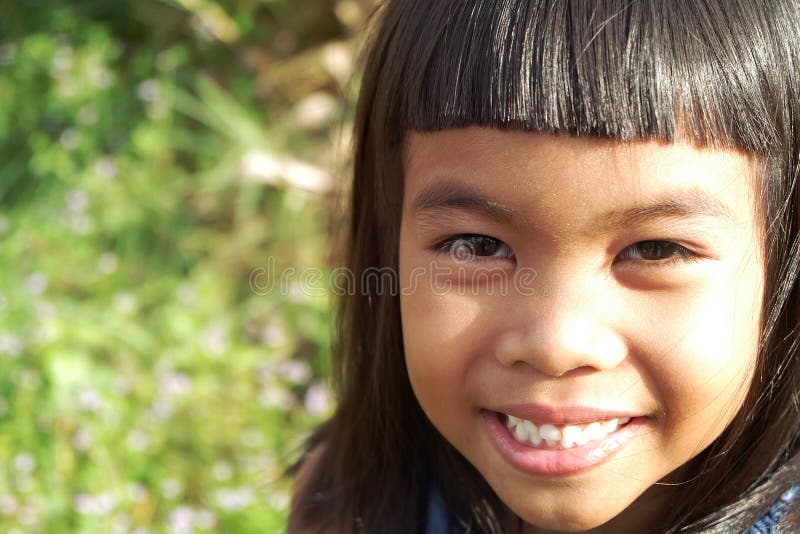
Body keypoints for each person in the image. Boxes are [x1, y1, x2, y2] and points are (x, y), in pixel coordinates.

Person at [289, 1, 800, 532]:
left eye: (656, 250)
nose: (556, 345)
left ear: (784, 260)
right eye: (477, 246)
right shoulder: (344, 501)